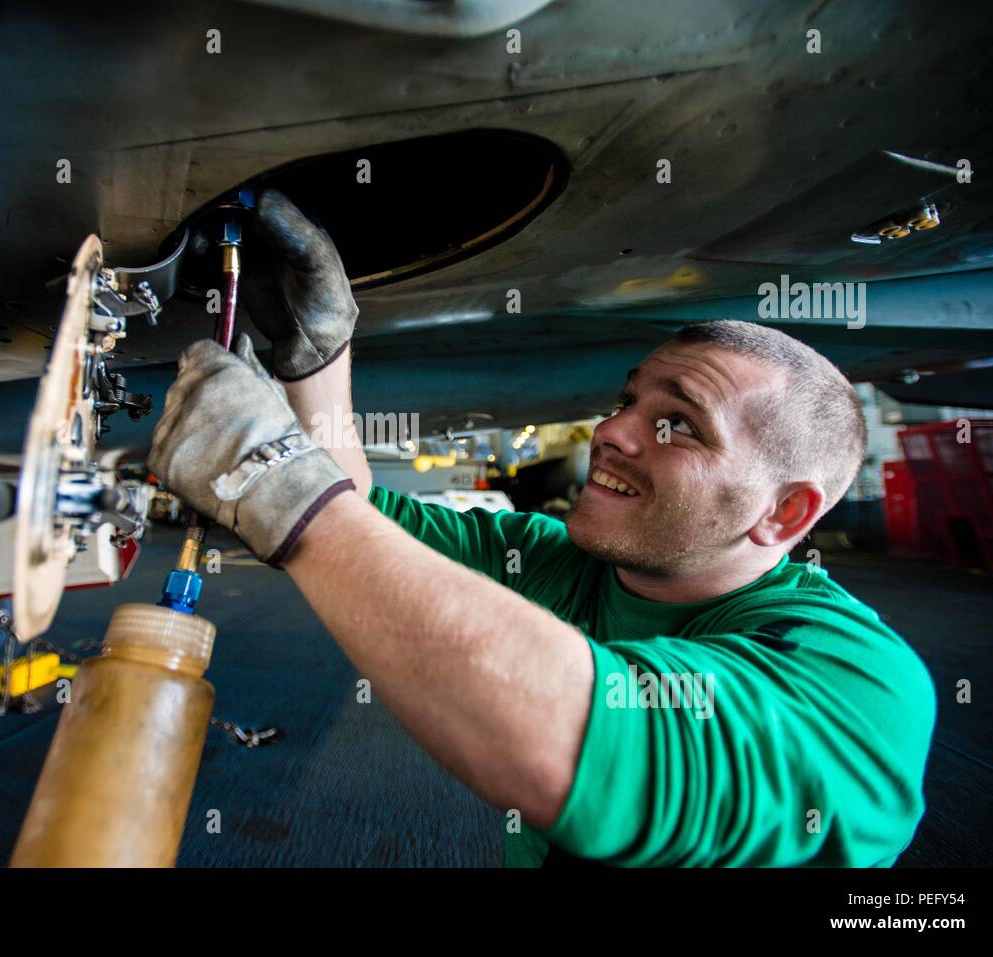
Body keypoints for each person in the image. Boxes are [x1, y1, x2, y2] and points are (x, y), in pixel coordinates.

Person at [148, 190, 936, 867]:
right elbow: (352, 511)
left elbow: (588, 749)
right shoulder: (555, 559)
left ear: (786, 512)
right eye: (630, 400)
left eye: (679, 426)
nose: (615, 431)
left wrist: (274, 481)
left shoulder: (860, 682)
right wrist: (318, 359)